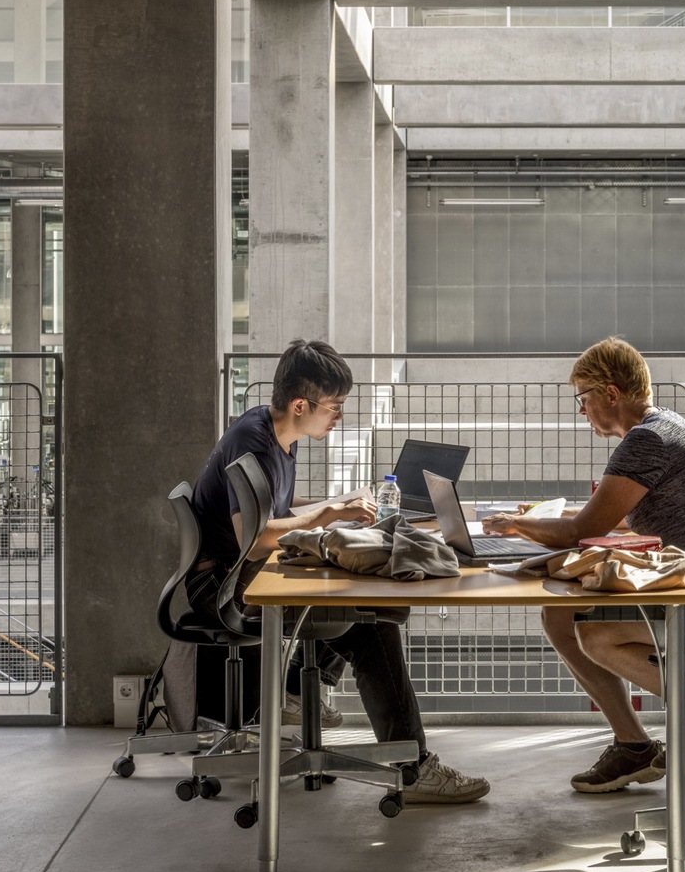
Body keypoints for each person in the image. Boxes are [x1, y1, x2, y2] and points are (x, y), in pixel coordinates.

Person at [189, 339, 489, 805]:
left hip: (245, 574)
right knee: (372, 623)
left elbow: (281, 510)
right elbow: (256, 536)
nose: (339, 416)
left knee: (373, 598)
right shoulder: (254, 443)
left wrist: (338, 504)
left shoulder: (270, 433)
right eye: (335, 406)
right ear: (300, 404)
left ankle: (296, 696)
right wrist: (329, 516)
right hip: (227, 587)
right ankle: (412, 769)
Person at [485, 337, 685, 793]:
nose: (581, 411)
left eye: (582, 398)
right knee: (560, 614)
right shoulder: (665, 426)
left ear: (610, 393)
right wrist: (541, 518)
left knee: (596, 635)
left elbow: (581, 532)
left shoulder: (645, 441)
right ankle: (632, 745)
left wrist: (520, 526)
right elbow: (616, 516)